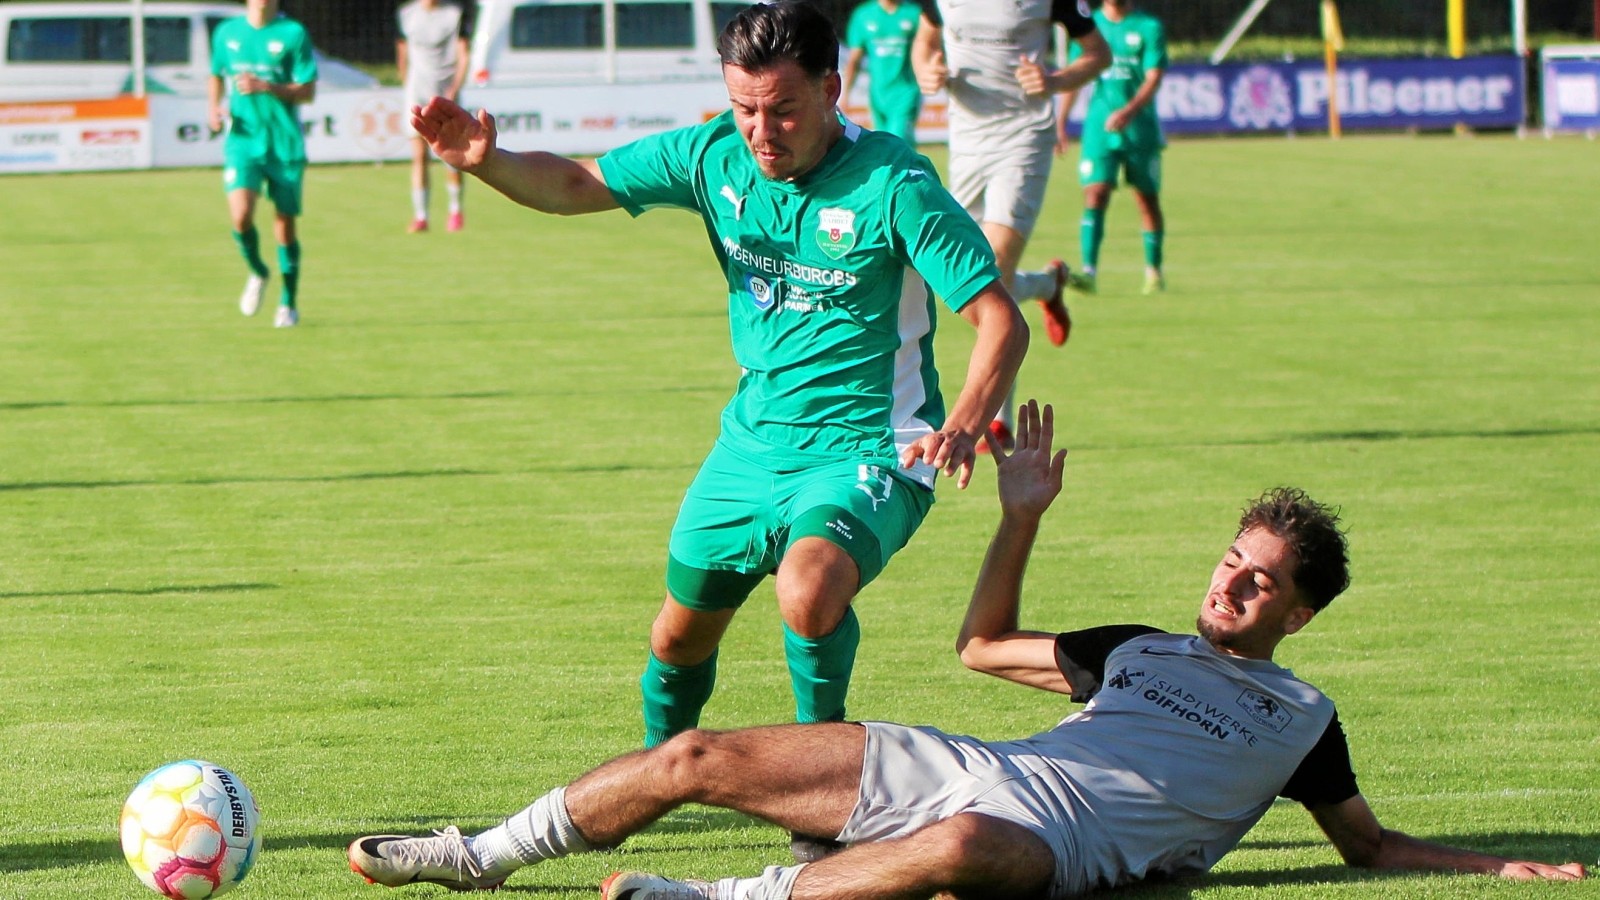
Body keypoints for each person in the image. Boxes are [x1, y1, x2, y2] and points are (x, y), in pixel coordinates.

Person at [346, 400, 1589, 898]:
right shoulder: (1137, 647)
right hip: (975, 763)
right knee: (697, 755)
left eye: (1260, 580)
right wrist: (1019, 516)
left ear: (1297, 614)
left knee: (956, 856)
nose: (1231, 582)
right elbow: (983, 646)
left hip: (1063, 844)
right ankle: (478, 854)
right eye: (1230, 558)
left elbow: (1369, 848)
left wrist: (1495, 865)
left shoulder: (1302, 716)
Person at [409, 1, 1027, 761]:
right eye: (744, 108)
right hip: (750, 447)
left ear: (831, 89)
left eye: (784, 110)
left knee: (807, 590)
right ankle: (655, 775)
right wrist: (490, 163)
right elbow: (578, 183)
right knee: (678, 636)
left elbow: (1000, 321)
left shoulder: (894, 183)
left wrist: (962, 423)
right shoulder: (714, 155)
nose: (762, 132)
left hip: (871, 448)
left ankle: (822, 772)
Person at [911, 0, 1109, 450]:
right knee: (962, 280)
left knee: (993, 272)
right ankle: (1047, 284)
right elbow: (924, 43)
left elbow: (1099, 53)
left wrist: (1054, 81)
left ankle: (996, 420)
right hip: (966, 142)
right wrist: (926, 71)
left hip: (1023, 137)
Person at [207, 0, 317, 329]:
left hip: (284, 144)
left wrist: (268, 86)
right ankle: (257, 270)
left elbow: (308, 90)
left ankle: (288, 303)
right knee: (240, 216)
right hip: (242, 140)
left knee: (284, 225)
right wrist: (213, 108)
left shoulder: (293, 33)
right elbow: (215, 75)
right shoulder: (227, 32)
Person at [1056, 0, 1167, 296]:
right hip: (1100, 127)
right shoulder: (1089, 25)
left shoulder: (1148, 27)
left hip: (1140, 129)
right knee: (1095, 193)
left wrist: (1129, 111)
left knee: (1146, 200)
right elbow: (1074, 75)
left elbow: (1154, 77)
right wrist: (1061, 122)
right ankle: (1089, 272)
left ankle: (1154, 271)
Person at [396, 0, 472, 233]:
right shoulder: (406, 14)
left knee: (452, 155)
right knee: (419, 155)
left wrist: (455, 88)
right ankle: (421, 216)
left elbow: (463, 54)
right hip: (417, 93)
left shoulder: (454, 14)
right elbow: (402, 53)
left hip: (445, 93)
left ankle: (455, 210)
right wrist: (407, 84)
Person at [840, 0, 922, 145]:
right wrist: (845, 93)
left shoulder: (913, 13)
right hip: (878, 95)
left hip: (905, 92)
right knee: (883, 145)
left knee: (898, 142)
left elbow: (927, 48)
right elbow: (854, 59)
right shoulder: (863, 15)